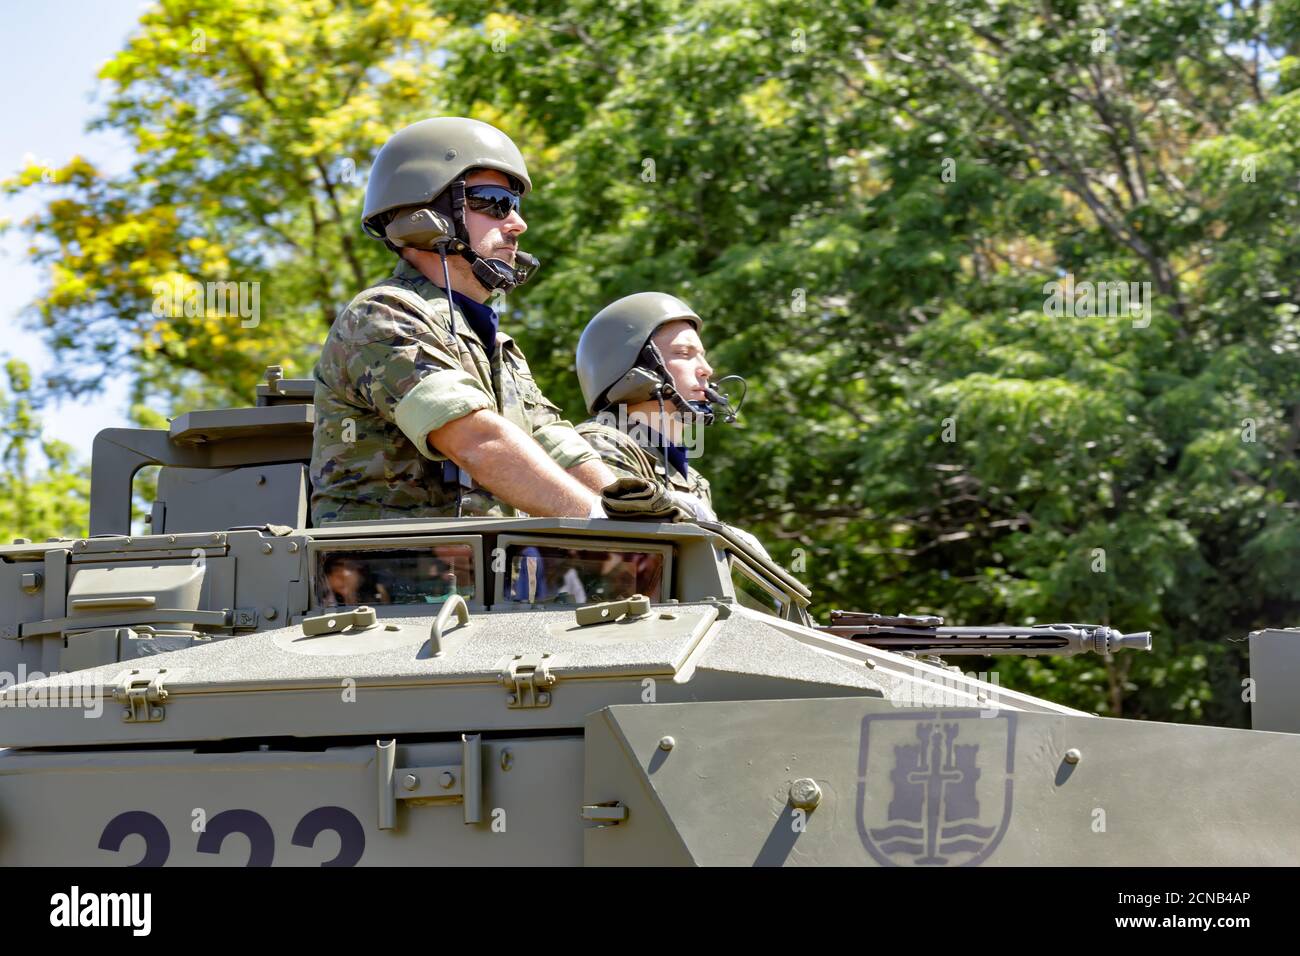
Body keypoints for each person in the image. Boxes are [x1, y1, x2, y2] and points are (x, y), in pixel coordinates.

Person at [310, 117, 616, 524]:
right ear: (428, 215)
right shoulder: (382, 314)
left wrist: (630, 506)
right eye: (493, 202)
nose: (517, 224)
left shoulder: (497, 348)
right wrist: (596, 516)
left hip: (480, 578)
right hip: (390, 579)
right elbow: (477, 440)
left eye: (516, 205)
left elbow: (556, 445)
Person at [575, 292, 719, 521]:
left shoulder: (693, 480)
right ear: (636, 364)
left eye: (702, 356)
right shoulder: (601, 444)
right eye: (683, 353)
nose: (706, 369)